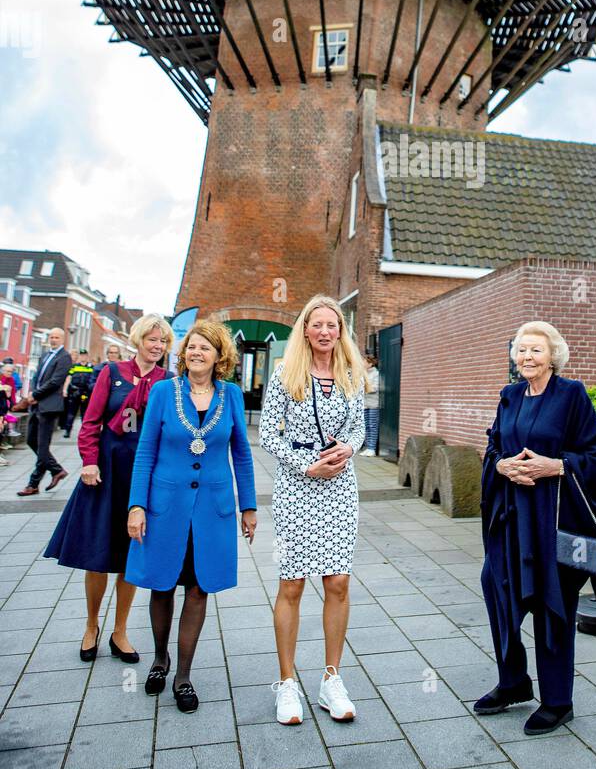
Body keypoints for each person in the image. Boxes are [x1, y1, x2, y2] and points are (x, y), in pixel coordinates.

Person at [475, 321, 596, 735]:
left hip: (552, 518)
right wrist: (499, 464)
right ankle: (513, 681)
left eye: (535, 350)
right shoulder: (510, 395)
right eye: (520, 350)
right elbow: (495, 443)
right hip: (512, 516)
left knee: (554, 602)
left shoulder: (571, 396)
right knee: (495, 585)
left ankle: (557, 700)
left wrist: (558, 466)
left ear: (553, 355)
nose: (526, 357)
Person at [126, 320, 257, 713]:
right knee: (162, 585)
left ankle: (183, 676)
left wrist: (248, 507)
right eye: (191, 347)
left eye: (205, 348)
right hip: (165, 508)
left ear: (220, 357)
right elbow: (146, 451)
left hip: (212, 511)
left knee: (199, 588)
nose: (196, 352)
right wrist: (136, 505)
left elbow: (242, 454)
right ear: (182, 354)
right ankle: (159, 658)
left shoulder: (231, 395)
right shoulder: (165, 392)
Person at [258, 294, 366, 727]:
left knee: (338, 581)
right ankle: (287, 683)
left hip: (340, 486)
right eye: (317, 324)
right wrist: (307, 464)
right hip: (297, 487)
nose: (325, 331)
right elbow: (267, 433)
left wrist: (349, 447)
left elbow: (359, 426)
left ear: (341, 331)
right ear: (305, 329)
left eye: (332, 325)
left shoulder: (351, 375)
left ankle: (331, 679)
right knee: (292, 584)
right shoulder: (285, 373)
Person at [44, 315, 174, 663]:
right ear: (138, 340)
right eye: (152, 339)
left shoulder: (168, 381)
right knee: (98, 555)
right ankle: (91, 625)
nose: (157, 346)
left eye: (163, 341)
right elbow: (91, 422)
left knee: (131, 552)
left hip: (143, 474)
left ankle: (120, 630)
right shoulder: (111, 373)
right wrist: (88, 460)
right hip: (106, 471)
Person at [18, 328, 72, 496]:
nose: (53, 339)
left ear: (62, 339)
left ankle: (33, 484)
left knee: (42, 446)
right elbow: (37, 378)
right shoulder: (45, 355)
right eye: (51, 336)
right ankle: (56, 470)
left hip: (49, 406)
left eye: (56, 337)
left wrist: (35, 394)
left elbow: (56, 382)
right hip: (37, 404)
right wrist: (32, 393)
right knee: (30, 440)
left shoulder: (64, 357)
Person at [63, 350, 95, 437]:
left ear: (87, 356)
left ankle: (84, 433)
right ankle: (67, 431)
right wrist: (65, 390)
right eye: (81, 355)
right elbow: (68, 378)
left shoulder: (91, 367)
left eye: (84, 355)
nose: (83, 357)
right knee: (71, 413)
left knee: (85, 414)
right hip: (74, 392)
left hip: (86, 393)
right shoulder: (74, 367)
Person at [361, 352, 380, 456]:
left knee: (372, 426)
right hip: (364, 404)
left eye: (364, 361)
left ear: (370, 363)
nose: (362, 363)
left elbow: (375, 388)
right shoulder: (362, 373)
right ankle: (368, 447)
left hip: (373, 404)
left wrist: (363, 388)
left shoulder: (376, 374)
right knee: (365, 426)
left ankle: (372, 448)